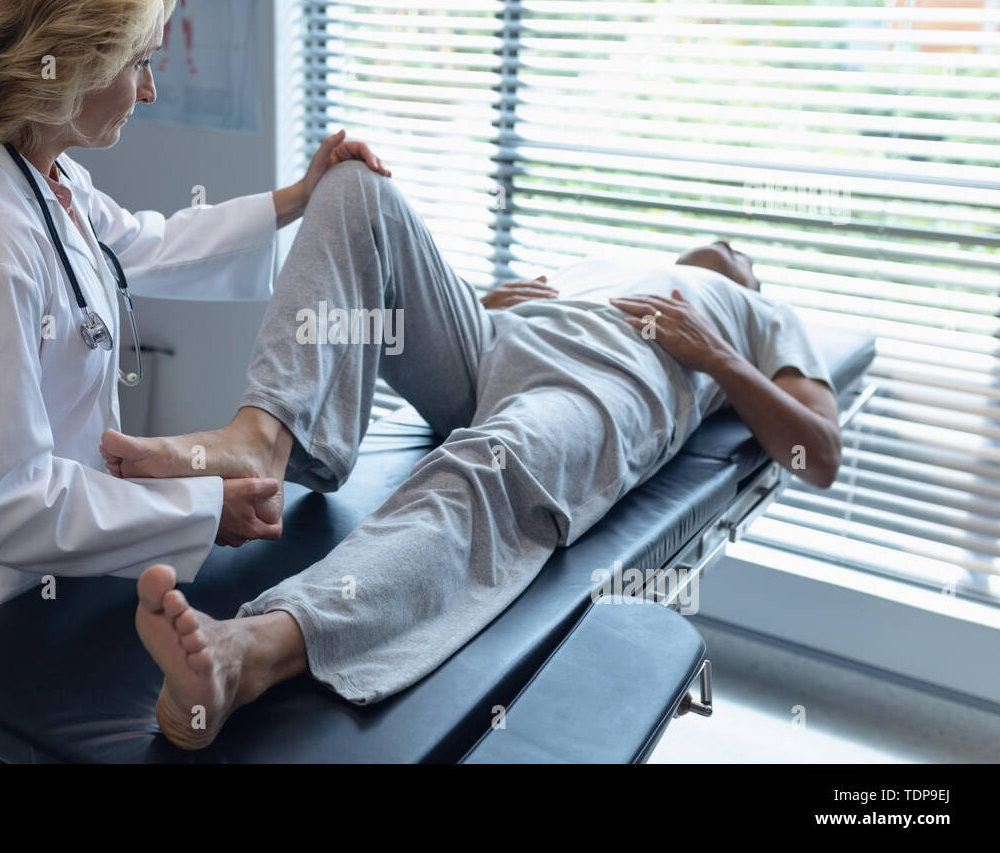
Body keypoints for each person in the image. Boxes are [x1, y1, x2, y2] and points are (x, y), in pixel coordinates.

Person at [0, 0, 388, 762]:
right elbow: (5, 504)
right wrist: (200, 508)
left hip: (34, 577)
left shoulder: (30, 167)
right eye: (139, 62)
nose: (150, 88)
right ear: (67, 64)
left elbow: (141, 244)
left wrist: (295, 199)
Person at [99, 160, 843, 750]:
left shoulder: (757, 313)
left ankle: (249, 651)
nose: (728, 250)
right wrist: (488, 303)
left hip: (603, 385)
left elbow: (819, 453)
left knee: (483, 470)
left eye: (742, 256)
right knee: (356, 187)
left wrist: (717, 355)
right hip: (493, 343)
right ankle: (262, 435)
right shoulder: (613, 260)